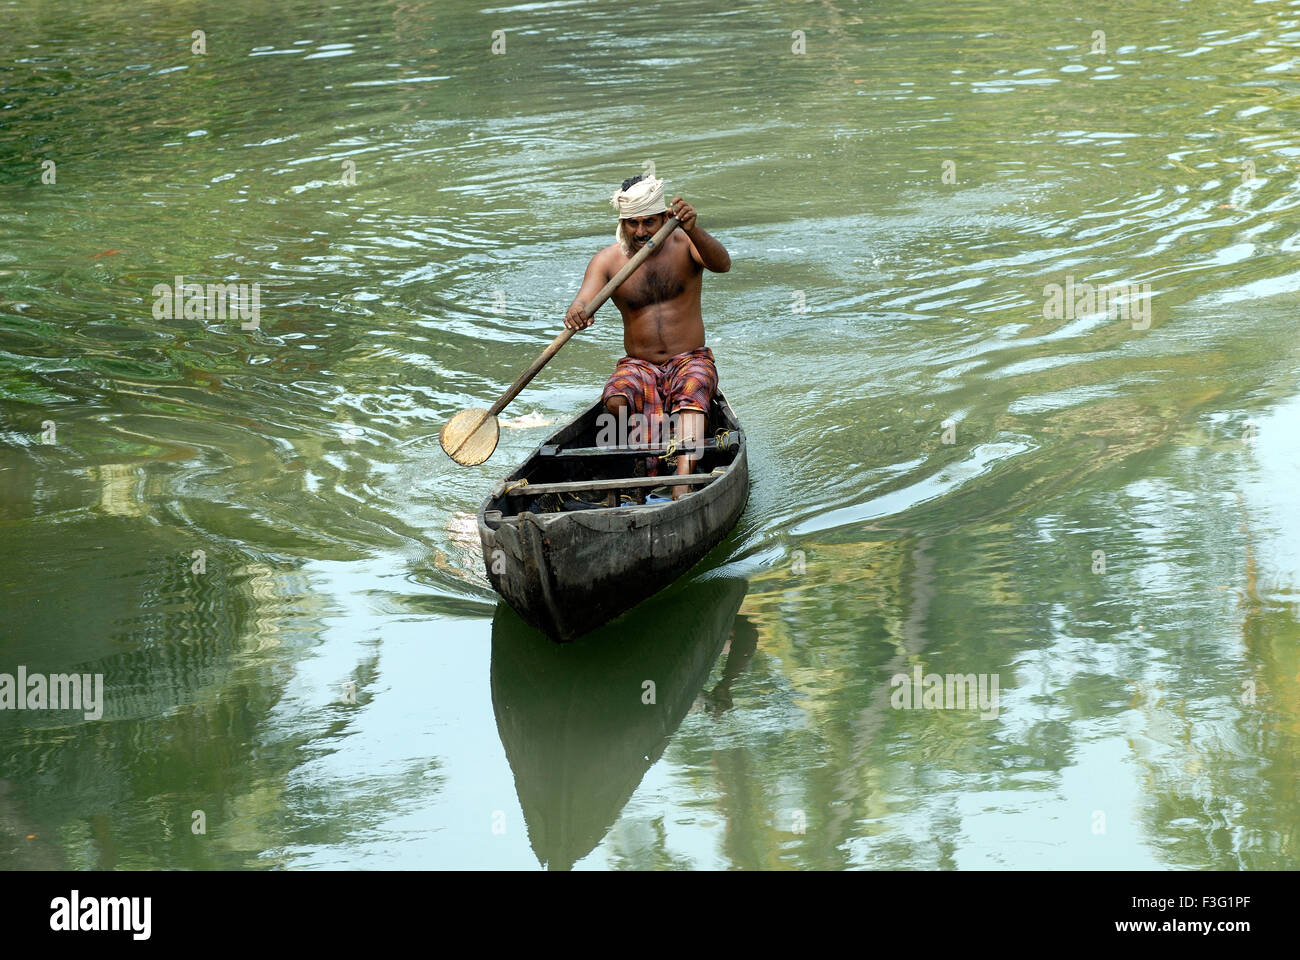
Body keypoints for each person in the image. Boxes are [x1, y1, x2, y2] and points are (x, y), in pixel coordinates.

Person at [563, 173, 731, 499]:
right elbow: (583, 299)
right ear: (622, 223)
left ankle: (683, 481)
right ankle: (642, 457)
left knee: (693, 391)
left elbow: (722, 264)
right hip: (640, 364)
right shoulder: (608, 260)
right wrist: (578, 312)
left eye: (649, 222)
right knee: (614, 397)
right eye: (632, 223)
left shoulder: (686, 245)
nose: (640, 232)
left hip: (689, 359)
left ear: (665, 217)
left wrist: (693, 228)